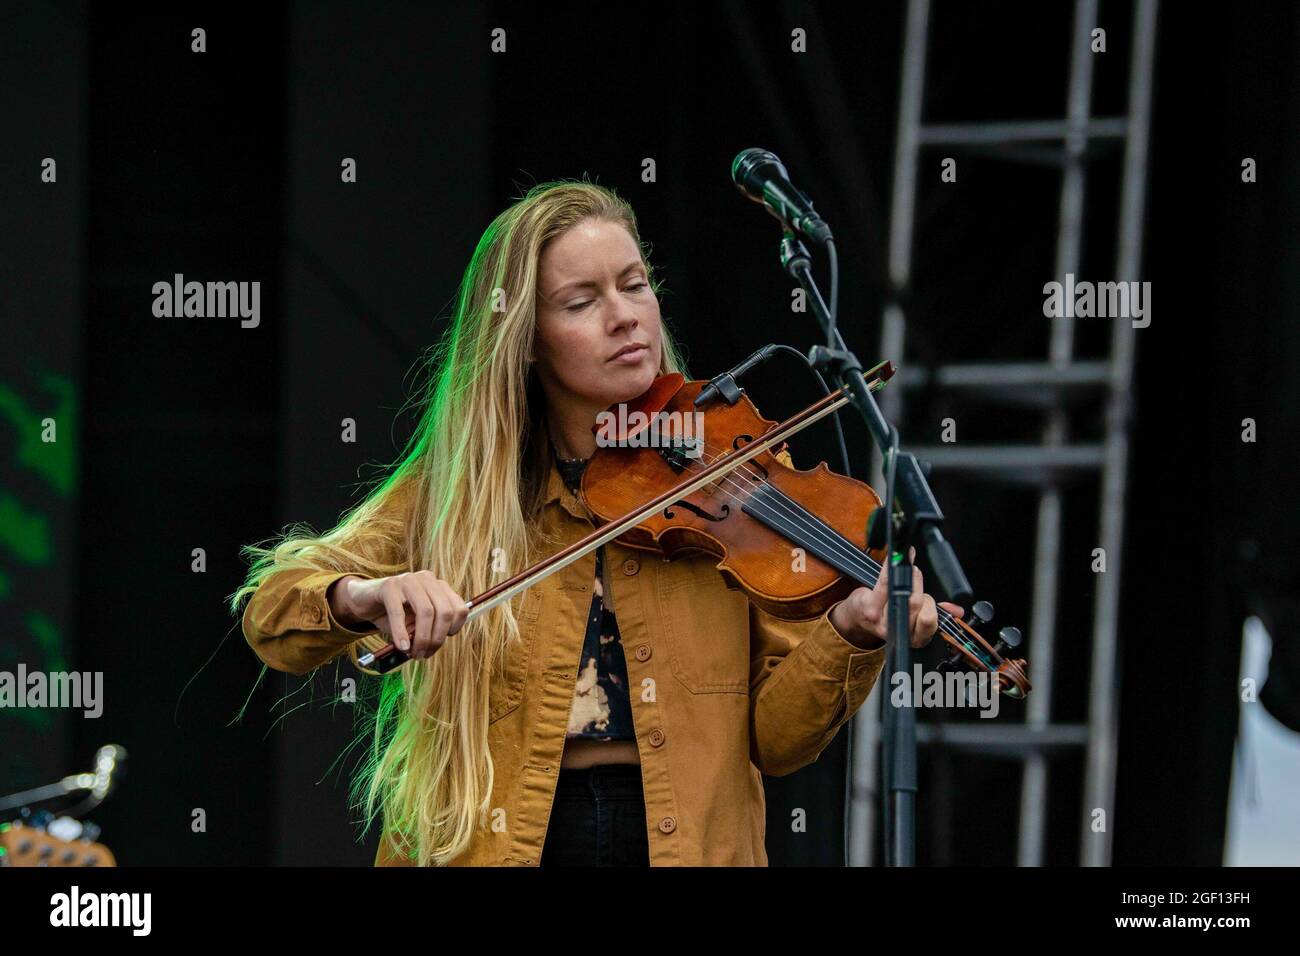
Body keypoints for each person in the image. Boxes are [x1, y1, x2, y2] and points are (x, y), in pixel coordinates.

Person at [233, 180, 962, 867]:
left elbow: (775, 741)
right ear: (525, 337)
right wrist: (363, 595)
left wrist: (851, 632)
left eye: (635, 285)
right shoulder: (461, 490)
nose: (625, 316)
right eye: (581, 302)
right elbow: (273, 611)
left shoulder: (730, 476)